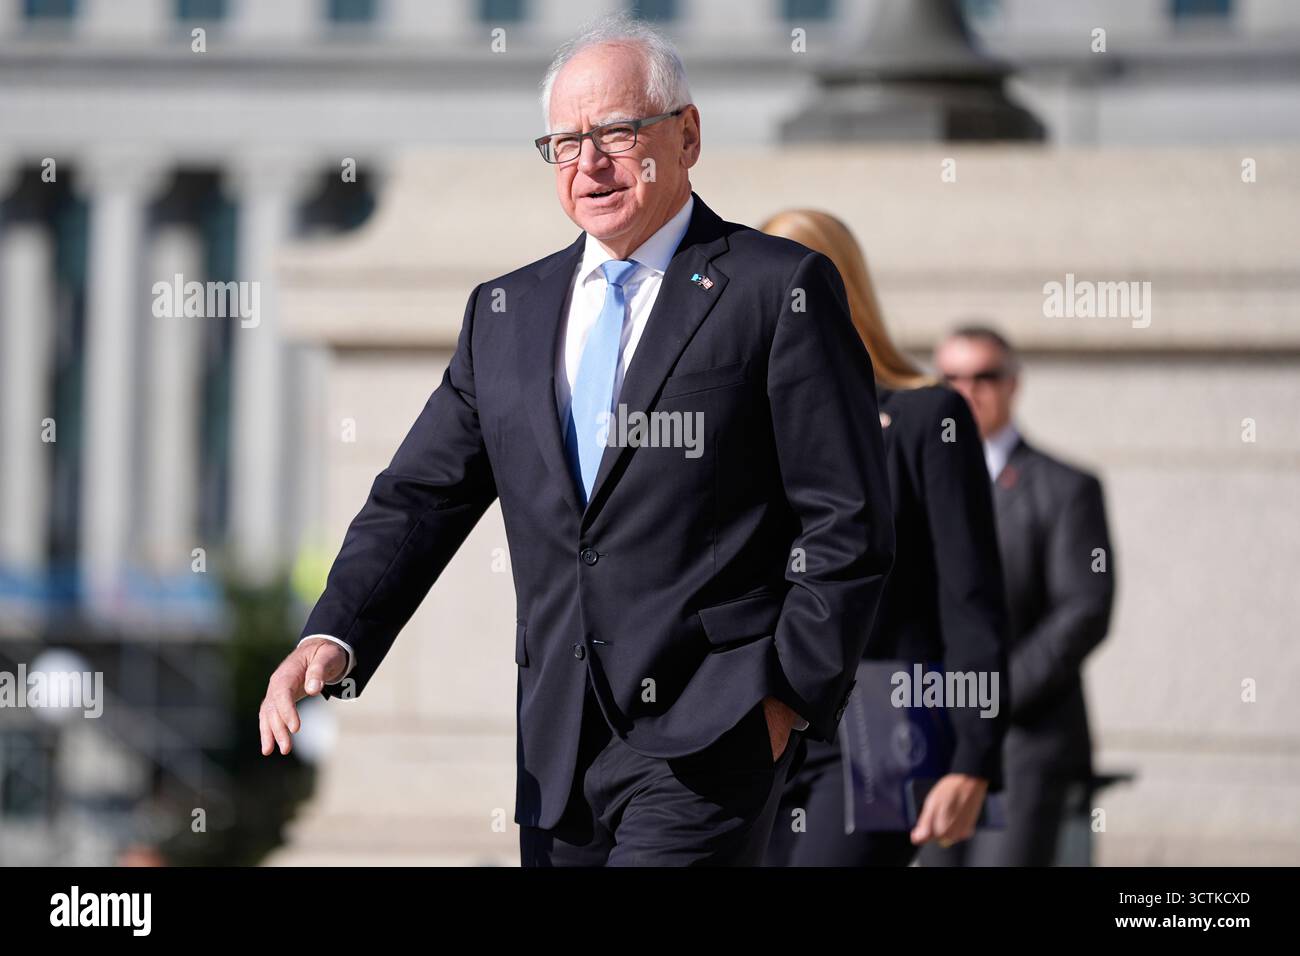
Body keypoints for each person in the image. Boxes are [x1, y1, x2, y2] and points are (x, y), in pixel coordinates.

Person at [256, 15, 895, 867]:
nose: (589, 164)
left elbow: (847, 516)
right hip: (557, 747)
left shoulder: (776, 291)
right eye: (565, 142)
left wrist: (787, 695)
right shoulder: (505, 314)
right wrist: (334, 634)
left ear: (688, 135)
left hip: (715, 734)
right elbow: (421, 495)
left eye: (618, 134)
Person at [760, 210, 1009, 867]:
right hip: (758, 720)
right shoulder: (740, 428)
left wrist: (974, 757)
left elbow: (970, 597)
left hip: (887, 717)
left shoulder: (929, 416)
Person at [928, 326, 1115, 866]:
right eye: (952, 377)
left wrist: (990, 696)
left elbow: (1083, 611)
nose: (968, 390)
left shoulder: (1065, 488)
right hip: (929, 736)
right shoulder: (911, 480)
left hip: (1022, 743)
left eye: (984, 376)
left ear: (1013, 384)